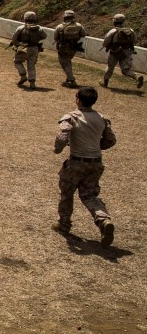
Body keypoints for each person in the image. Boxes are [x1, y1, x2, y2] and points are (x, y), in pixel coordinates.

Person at [54, 86, 117, 247]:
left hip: (76, 162)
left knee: (67, 193)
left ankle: (64, 225)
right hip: (96, 163)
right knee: (89, 195)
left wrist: (58, 148)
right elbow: (111, 140)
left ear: (78, 99)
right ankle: (103, 219)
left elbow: (62, 136)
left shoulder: (71, 117)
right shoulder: (102, 118)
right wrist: (96, 146)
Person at [101, 14, 144, 89]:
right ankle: (136, 77)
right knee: (125, 70)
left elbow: (105, 42)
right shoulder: (130, 30)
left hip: (115, 51)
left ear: (114, 21)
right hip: (127, 51)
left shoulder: (113, 31)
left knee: (110, 67)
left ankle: (105, 83)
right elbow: (134, 40)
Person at [9, 11, 47, 89]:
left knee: (17, 62)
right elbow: (44, 36)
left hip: (23, 48)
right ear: (34, 18)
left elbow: (14, 39)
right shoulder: (39, 28)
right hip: (35, 48)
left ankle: (23, 75)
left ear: (25, 18)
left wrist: (18, 45)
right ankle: (32, 82)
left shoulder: (21, 28)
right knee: (31, 65)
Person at [52, 9, 86, 88]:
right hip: (74, 47)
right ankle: (68, 78)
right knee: (68, 62)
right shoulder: (79, 25)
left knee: (64, 63)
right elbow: (83, 34)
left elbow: (55, 38)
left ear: (65, 17)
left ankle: (72, 80)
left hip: (63, 48)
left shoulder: (60, 27)